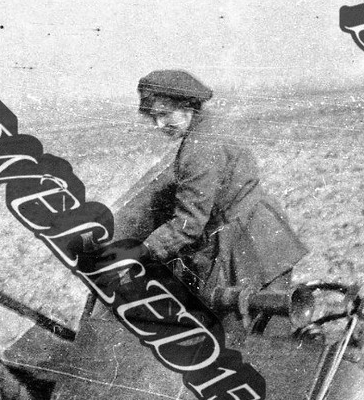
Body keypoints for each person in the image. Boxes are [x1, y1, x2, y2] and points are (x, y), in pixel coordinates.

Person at [109, 69, 308, 301]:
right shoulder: (207, 127)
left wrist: (141, 253)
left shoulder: (200, 147)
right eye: (154, 117)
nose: (160, 124)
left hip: (249, 247)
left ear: (187, 105)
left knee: (247, 317)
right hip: (261, 235)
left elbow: (189, 224)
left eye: (165, 114)